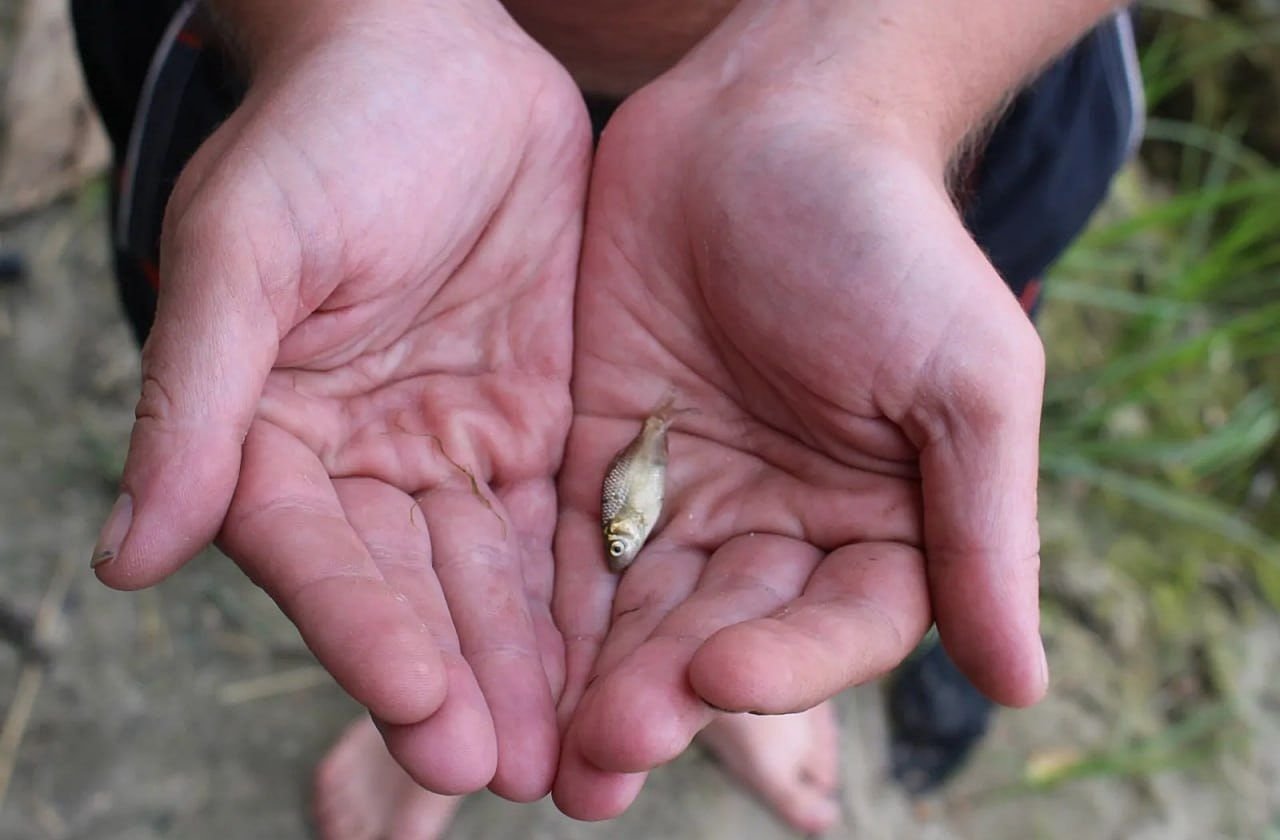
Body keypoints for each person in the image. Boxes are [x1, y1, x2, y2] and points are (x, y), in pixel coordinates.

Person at [71, 0, 1142, 836]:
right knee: (325, 465)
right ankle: (435, 696)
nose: (619, 530)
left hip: (919, 87)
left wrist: (875, 87)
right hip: (325, 79)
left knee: (823, 462)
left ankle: (721, 678)